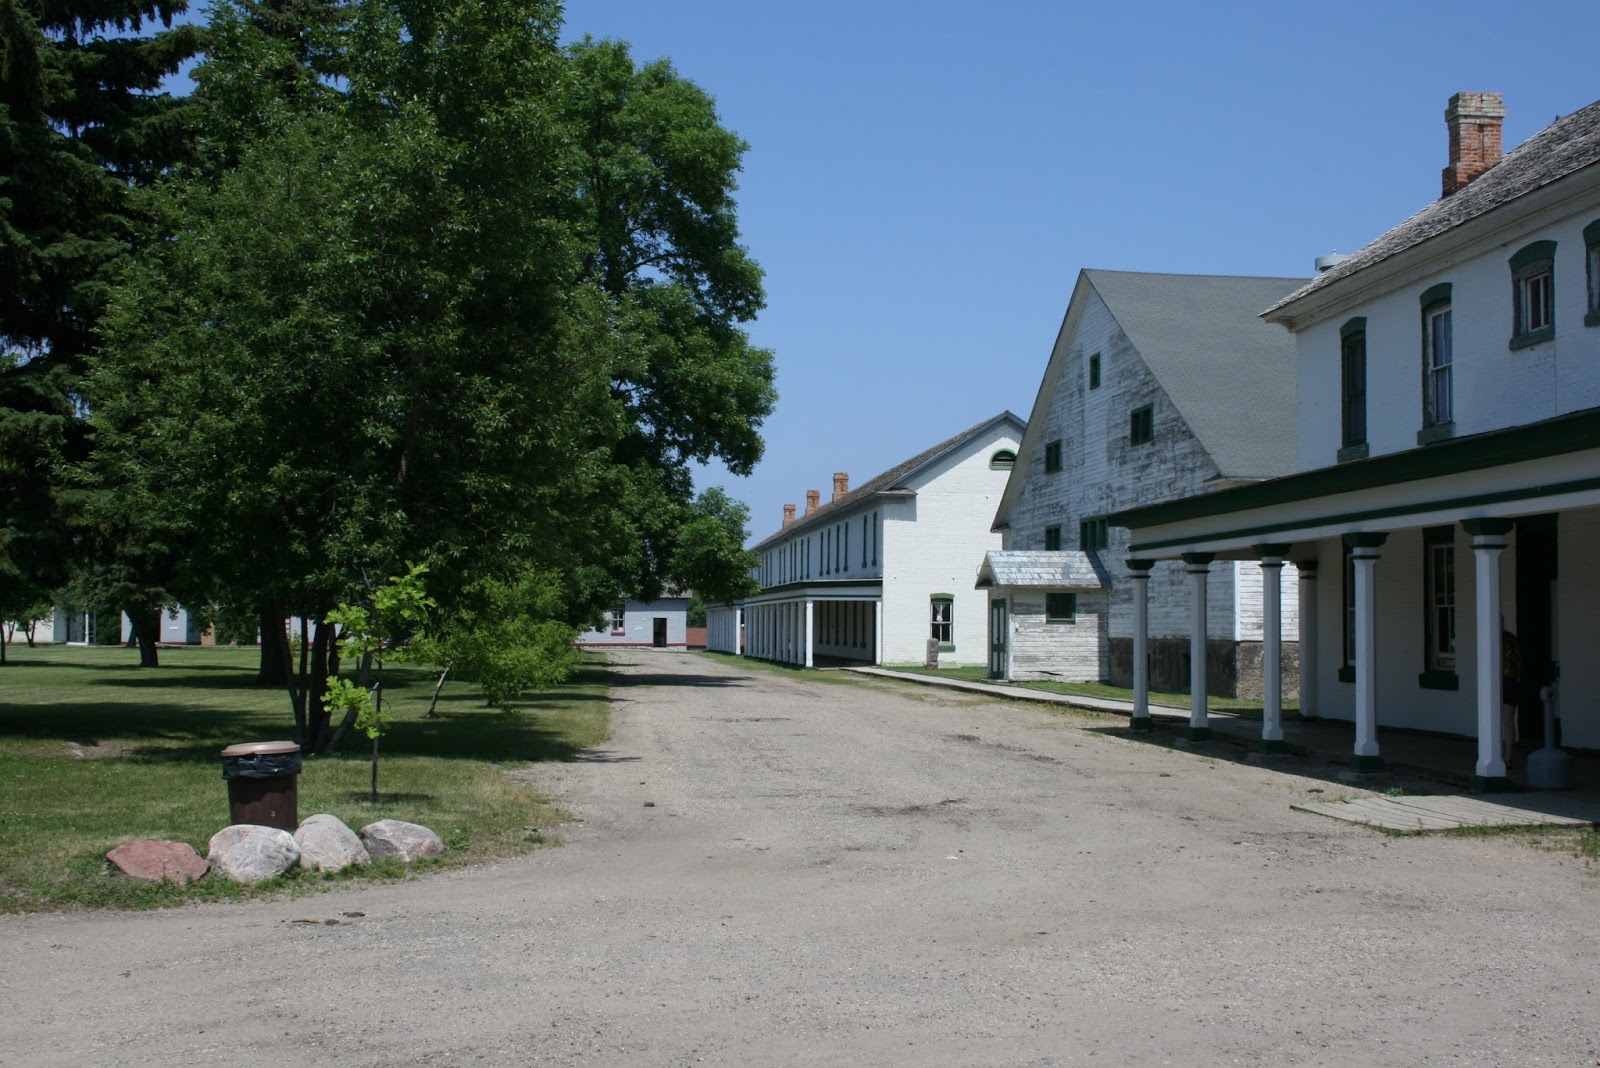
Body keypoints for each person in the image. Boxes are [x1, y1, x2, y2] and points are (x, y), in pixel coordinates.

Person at [1501, 623, 1521, 769]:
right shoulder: (1510, 638)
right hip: (1510, 681)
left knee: (1500, 721)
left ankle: (1501, 757)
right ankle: (1507, 758)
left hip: (1500, 682)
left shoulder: (1493, 639)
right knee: (1508, 721)